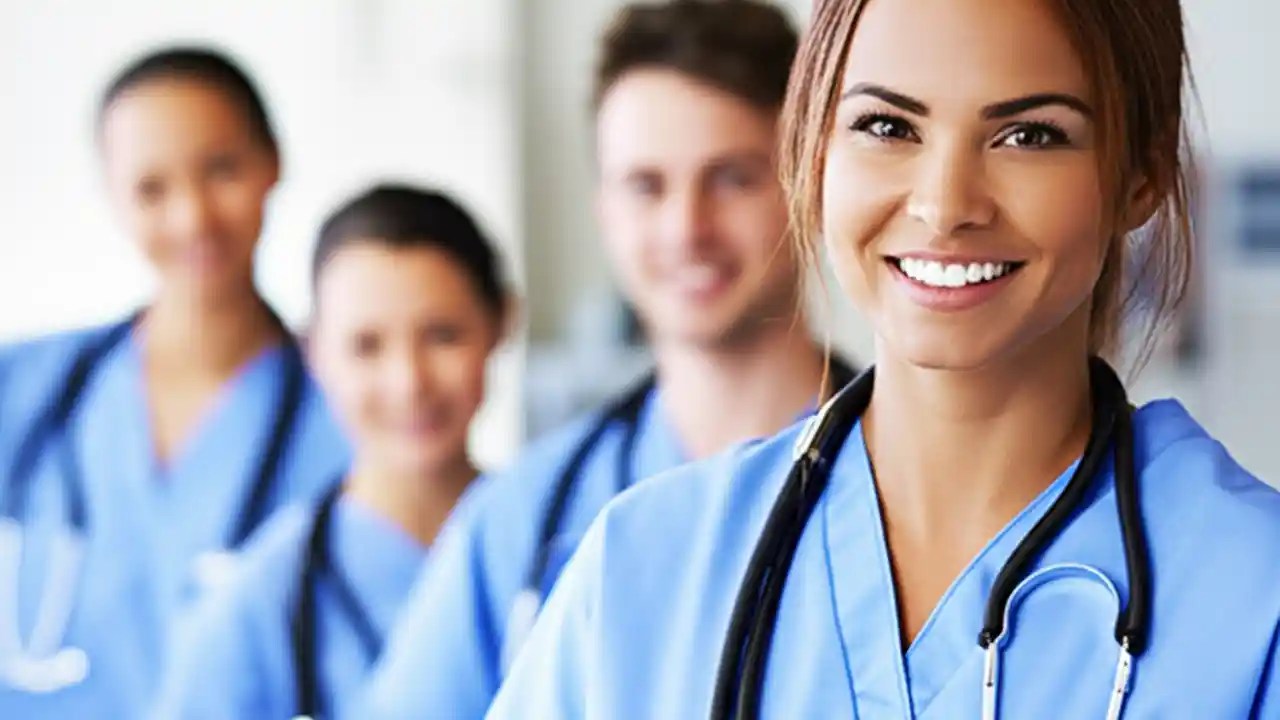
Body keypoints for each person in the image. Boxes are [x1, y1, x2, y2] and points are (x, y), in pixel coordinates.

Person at [488, 0, 1280, 717]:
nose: (945, 204)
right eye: (888, 127)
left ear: (1141, 175)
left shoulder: (1251, 600)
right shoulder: (642, 571)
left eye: (1029, 135)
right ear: (811, 146)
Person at [360, 2, 856, 717]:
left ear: (807, 182)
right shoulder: (518, 524)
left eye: (732, 178)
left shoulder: (910, 487)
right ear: (605, 210)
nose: (687, 228)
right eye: (646, 186)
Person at [0, 48, 347, 717]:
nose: (193, 217)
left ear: (272, 163)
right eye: (152, 188)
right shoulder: (23, 389)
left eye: (221, 170)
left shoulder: (352, 412)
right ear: (111, 194)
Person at [151, 184, 512, 720]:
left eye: (442, 335)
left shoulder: (560, 550)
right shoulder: (256, 609)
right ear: (314, 352)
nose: (408, 381)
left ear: (502, 322)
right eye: (366, 345)